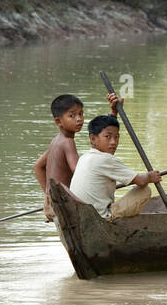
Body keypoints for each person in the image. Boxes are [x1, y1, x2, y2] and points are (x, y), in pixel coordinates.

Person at [33, 92, 120, 221]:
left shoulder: (56, 140)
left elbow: (38, 166)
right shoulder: (68, 142)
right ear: (59, 121)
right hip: (64, 204)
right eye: (72, 115)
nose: (79, 119)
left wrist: (49, 196)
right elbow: (80, 171)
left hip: (54, 204)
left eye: (81, 114)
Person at [67, 113, 163, 219]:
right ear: (93, 139)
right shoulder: (106, 159)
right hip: (99, 217)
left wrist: (113, 114)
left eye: (116, 137)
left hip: (77, 215)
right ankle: (111, 218)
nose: (113, 142)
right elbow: (141, 181)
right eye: (107, 137)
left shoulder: (84, 157)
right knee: (145, 190)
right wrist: (150, 177)